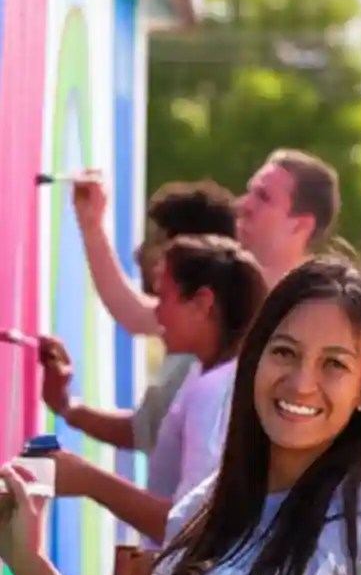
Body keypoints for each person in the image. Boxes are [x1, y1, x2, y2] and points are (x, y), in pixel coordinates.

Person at [0, 258, 361, 575]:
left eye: (333, 364)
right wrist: (27, 559)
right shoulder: (204, 507)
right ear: (254, 361)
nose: (300, 383)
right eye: (284, 352)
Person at [40, 235, 268, 543]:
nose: (157, 313)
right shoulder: (205, 373)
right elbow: (144, 431)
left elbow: (189, 526)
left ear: (202, 303)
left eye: (164, 298)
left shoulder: (217, 394)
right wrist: (67, 406)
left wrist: (87, 480)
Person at [55, 179, 238, 462]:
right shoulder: (209, 331)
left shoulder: (205, 371)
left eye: (156, 240)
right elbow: (131, 310)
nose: (141, 253)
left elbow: (140, 432)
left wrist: (82, 477)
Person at [71, 147, 343, 337]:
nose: (242, 205)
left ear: (301, 224)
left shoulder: (316, 305)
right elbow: (135, 315)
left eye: (263, 197)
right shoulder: (230, 281)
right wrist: (91, 224)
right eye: (249, 192)